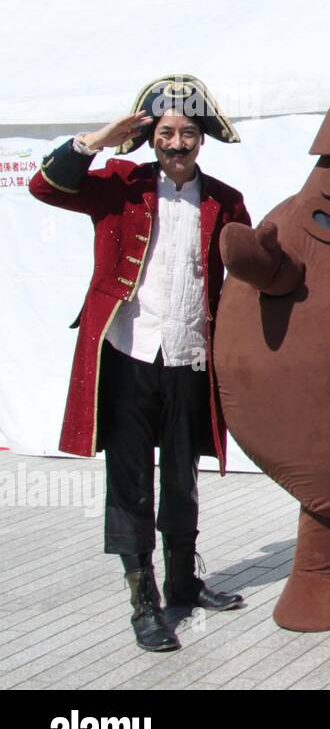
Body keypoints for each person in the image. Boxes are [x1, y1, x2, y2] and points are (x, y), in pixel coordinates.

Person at [29, 75, 250, 653]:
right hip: (127, 355)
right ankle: (143, 603)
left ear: (202, 140)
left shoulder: (225, 199)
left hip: (190, 355)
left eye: (188, 133)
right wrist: (100, 138)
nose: (177, 143)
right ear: (151, 137)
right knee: (129, 482)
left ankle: (183, 582)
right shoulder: (120, 186)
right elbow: (44, 188)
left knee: (182, 475)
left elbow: (247, 274)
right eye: (167, 132)